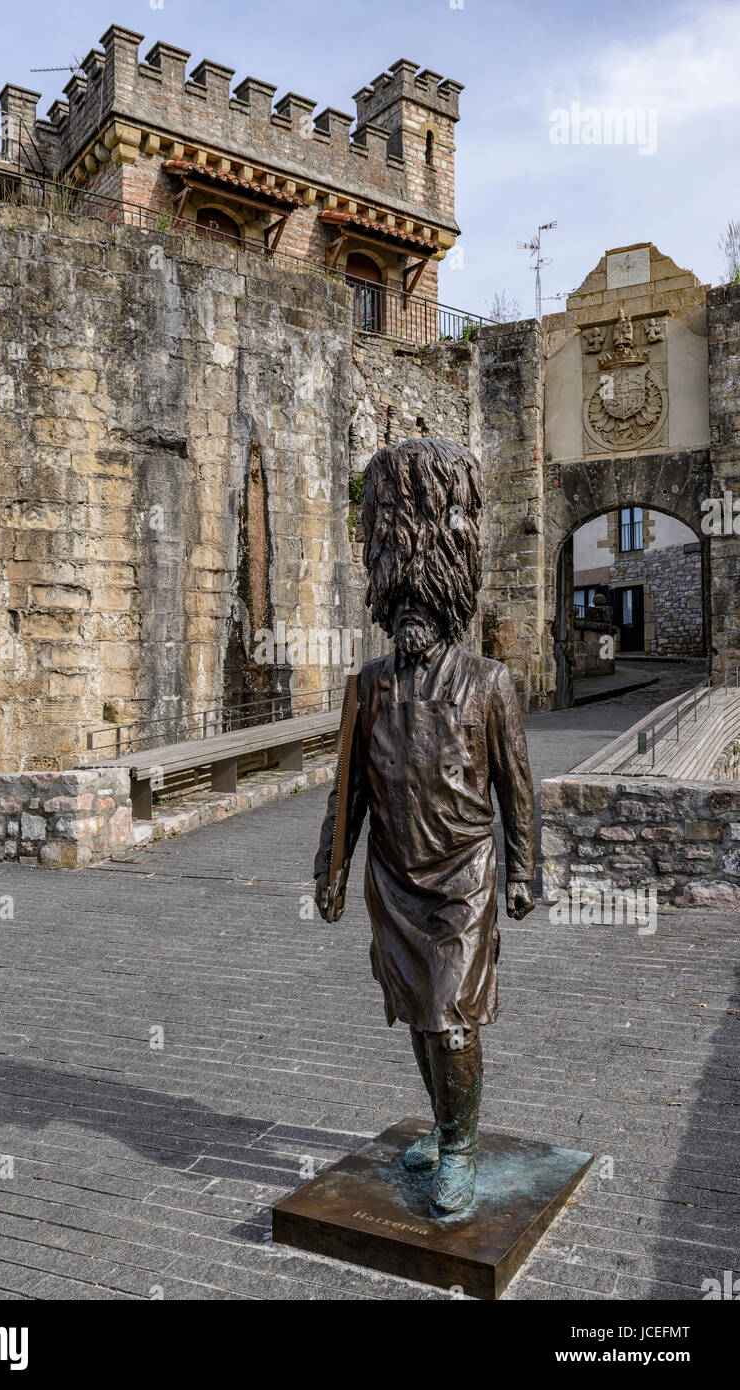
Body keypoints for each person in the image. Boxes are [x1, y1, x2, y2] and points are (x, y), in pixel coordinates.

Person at [314, 438, 536, 1218]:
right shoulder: (367, 687)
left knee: (450, 1021)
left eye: (421, 602)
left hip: (463, 876)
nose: (408, 615)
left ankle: (462, 1151)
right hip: (392, 876)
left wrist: (524, 871)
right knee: (415, 1011)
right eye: (397, 601)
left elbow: (517, 788)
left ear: (445, 600)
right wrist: (330, 871)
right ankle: (444, 1130)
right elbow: (346, 794)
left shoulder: (488, 684)